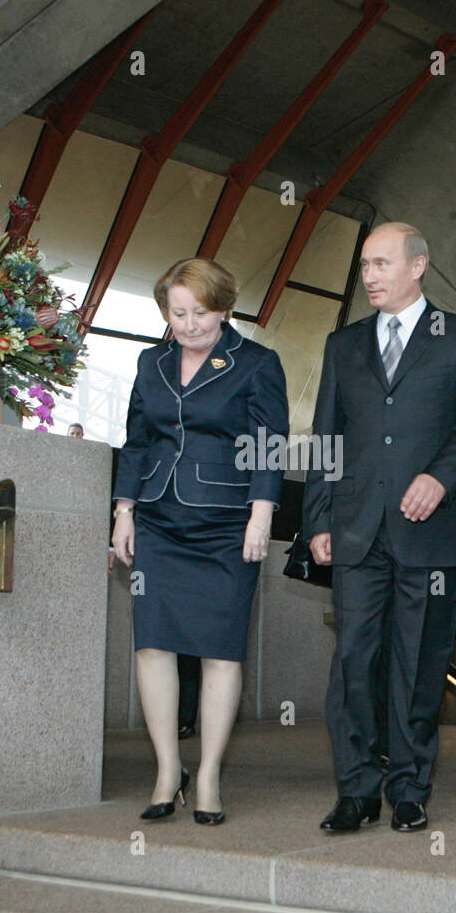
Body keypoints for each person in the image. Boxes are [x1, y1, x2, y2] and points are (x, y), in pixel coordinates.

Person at [304, 221, 456, 834]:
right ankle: (356, 790)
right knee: (355, 664)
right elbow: (326, 439)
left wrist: (440, 477)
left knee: (419, 667)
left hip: (431, 531)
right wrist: (317, 518)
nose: (369, 277)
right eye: (364, 266)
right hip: (357, 532)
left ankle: (410, 788)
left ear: (418, 266)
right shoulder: (345, 344)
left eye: (382, 264)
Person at [112, 258, 288, 826]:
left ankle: (208, 772)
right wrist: (123, 510)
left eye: (201, 313)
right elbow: (136, 440)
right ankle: (168, 769)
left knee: (220, 649)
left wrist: (261, 518)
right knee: (153, 645)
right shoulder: (150, 361)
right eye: (177, 313)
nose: (188, 325)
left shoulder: (257, 363)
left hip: (227, 524)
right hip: (159, 519)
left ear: (225, 308)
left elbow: (269, 445)